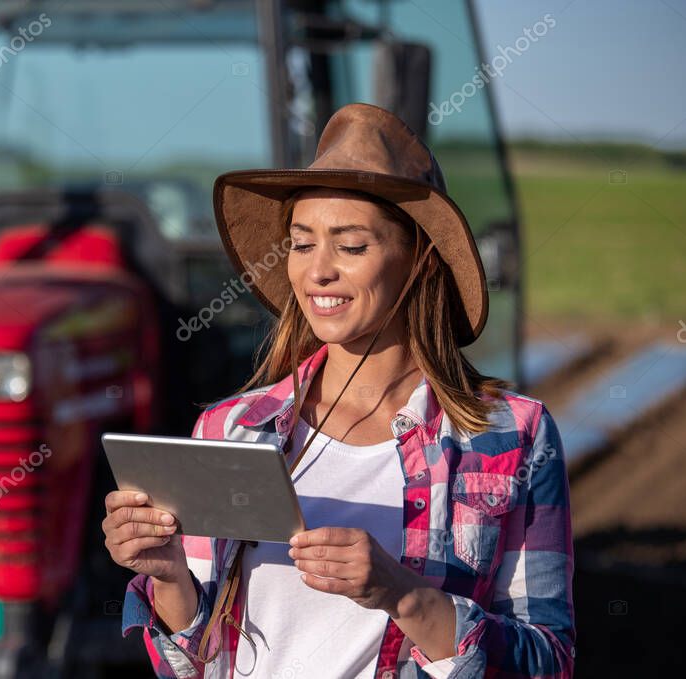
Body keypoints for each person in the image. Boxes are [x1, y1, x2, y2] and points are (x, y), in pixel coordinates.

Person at [102, 104, 575, 678]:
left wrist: (403, 595)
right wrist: (169, 573)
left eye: (350, 247)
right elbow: (194, 666)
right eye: (302, 244)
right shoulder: (232, 429)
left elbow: (548, 663)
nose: (316, 271)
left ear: (421, 261)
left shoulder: (513, 436)